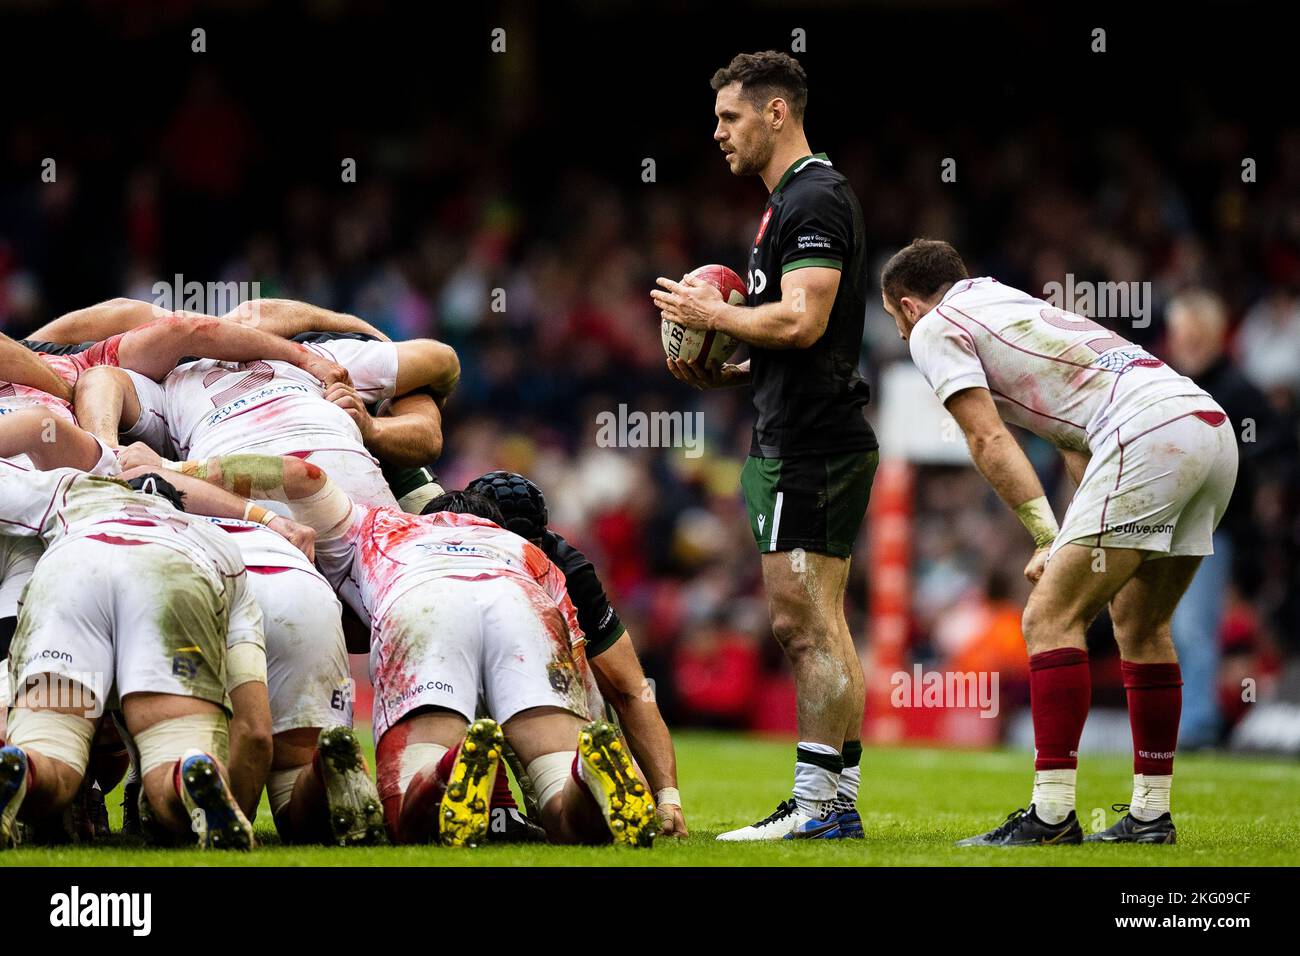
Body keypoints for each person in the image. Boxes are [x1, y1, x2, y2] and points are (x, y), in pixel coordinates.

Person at [880, 239, 1238, 845]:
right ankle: (1150, 816)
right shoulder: (1002, 300)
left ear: (909, 308)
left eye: (894, 321)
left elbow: (987, 439)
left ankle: (1050, 816)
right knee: (1140, 625)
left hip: (1147, 433)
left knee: (1048, 619)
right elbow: (1074, 441)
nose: (900, 333)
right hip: (1208, 427)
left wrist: (1047, 536)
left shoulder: (933, 328)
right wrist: (1074, 533)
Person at [124, 449, 658, 847]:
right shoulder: (530, 551)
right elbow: (584, 673)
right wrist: (605, 747)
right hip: (520, 599)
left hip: (424, 596)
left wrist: (171, 470)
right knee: (560, 792)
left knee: (405, 812)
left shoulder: (389, 523)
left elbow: (298, 474)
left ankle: (443, 773)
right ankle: (587, 778)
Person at [651, 50, 877, 840]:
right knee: (821, 622)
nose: (718, 132)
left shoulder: (812, 196)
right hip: (808, 432)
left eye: (729, 117)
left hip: (811, 443)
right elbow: (789, 338)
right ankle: (833, 802)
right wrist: (735, 368)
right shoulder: (791, 202)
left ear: (775, 112)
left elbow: (802, 320)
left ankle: (819, 808)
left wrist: (714, 320)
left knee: (802, 623)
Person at [0, 413, 313, 850]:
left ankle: (24, 767)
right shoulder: (217, 542)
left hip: (76, 568)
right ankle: (185, 771)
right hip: (173, 576)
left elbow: (37, 428)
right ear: (178, 503)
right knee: (174, 745)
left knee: (53, 741)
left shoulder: (72, 489)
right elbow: (257, 731)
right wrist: (234, 804)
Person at [466, 470, 686, 837]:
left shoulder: (569, 569)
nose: (522, 560)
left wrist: (667, 797)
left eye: (531, 546)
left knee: (613, 816)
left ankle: (549, 793)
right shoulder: (444, 555)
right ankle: (498, 809)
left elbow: (632, 688)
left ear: (544, 537)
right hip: (472, 672)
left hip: (543, 679)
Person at [1164, 290, 1296, 747]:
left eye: (1196, 338)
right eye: (1183, 337)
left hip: (1213, 527)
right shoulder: (1171, 386)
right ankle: (1180, 722)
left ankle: (1196, 726)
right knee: (1172, 628)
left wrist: (1237, 465)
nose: (1188, 346)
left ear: (1216, 337)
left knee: (1192, 629)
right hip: (1171, 526)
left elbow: (1279, 447)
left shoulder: (1237, 389)